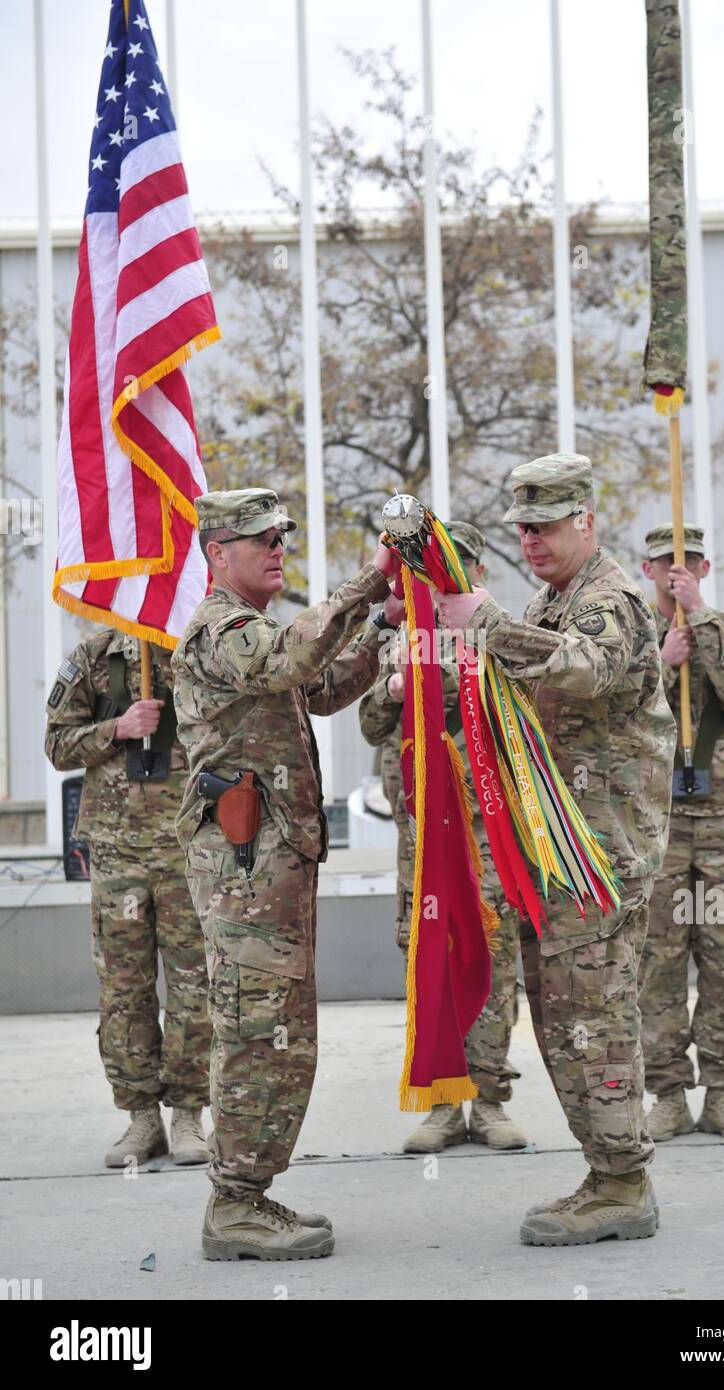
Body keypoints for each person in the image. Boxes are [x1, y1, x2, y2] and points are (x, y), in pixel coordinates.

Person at [436, 454, 676, 1246]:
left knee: (594, 1015)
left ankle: (622, 1182)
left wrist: (487, 624)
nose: (529, 539)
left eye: (544, 525)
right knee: (565, 1013)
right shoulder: (555, 597)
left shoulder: (611, 601)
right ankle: (606, 1170)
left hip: (600, 854)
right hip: (561, 851)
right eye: (522, 527)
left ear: (586, 522)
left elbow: (587, 666)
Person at [172, 487, 401, 1261]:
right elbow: (298, 658)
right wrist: (367, 582)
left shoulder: (258, 633)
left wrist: (380, 627)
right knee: (251, 1030)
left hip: (271, 866)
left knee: (280, 1031)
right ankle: (234, 1204)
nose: (278, 547)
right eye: (262, 537)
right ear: (218, 553)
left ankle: (249, 1194)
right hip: (245, 870)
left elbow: (324, 687)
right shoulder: (220, 629)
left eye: (282, 535)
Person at [359, 521, 528, 1154]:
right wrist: (400, 684)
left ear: (476, 574)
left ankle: (488, 1100)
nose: (439, 585)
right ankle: (442, 1102)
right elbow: (372, 724)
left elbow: (511, 700)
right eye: (427, 573)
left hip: (486, 836)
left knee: (490, 958)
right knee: (429, 961)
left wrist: (443, 674)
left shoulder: (497, 633)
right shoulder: (398, 640)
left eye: (453, 572)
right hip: (422, 840)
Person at [45, 628, 210, 1168]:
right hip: (118, 850)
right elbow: (56, 745)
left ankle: (189, 1113)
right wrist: (118, 727)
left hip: (187, 846)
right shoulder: (93, 659)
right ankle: (141, 1117)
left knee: (193, 983)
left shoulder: (197, 649)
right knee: (124, 986)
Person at [638, 523, 724, 1141]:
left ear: (704, 566)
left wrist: (700, 616)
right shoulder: (632, 635)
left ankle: (723, 1091)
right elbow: (609, 701)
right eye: (664, 562)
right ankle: (667, 1092)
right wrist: (661, 661)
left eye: (686, 562)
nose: (675, 571)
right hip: (657, 818)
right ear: (646, 570)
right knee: (657, 962)